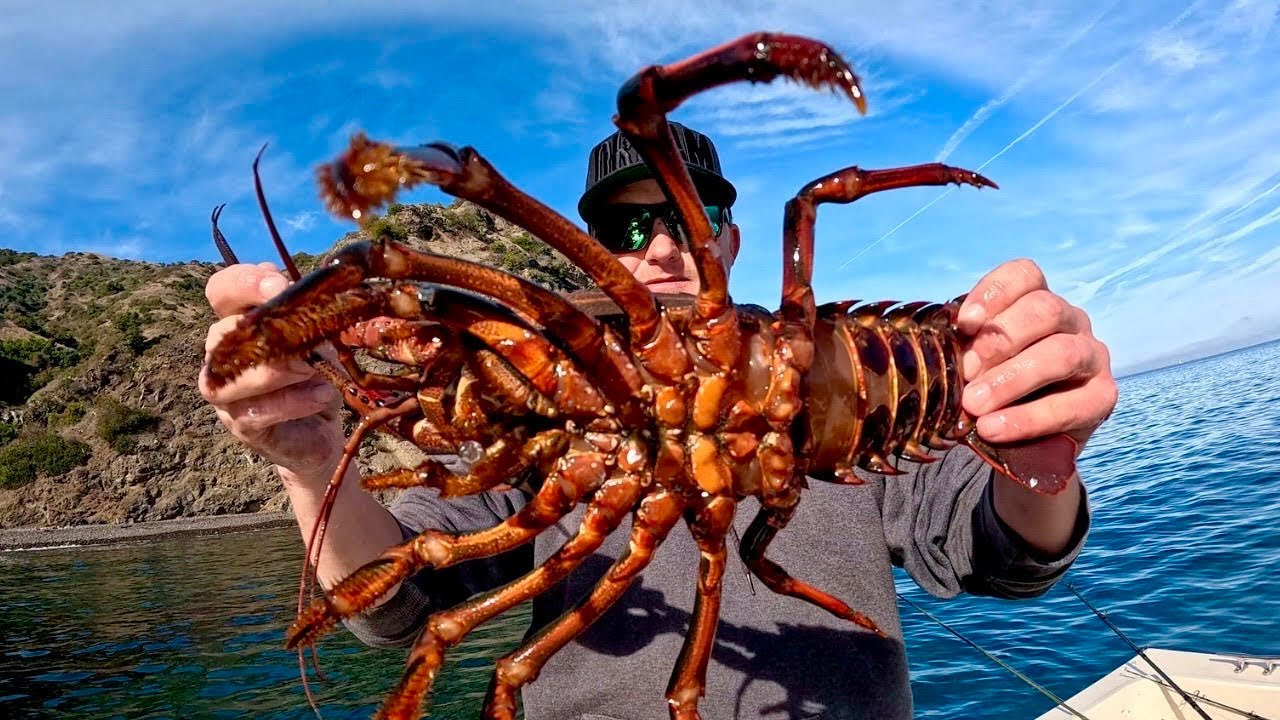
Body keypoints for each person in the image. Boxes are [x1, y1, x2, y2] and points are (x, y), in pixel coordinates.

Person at [200, 123, 1118, 719]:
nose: (665, 246)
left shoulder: (825, 377)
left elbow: (1007, 550)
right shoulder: (535, 428)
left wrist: (1043, 448)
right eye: (627, 231)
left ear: (729, 241)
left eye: (689, 216)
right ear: (597, 255)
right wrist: (310, 462)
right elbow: (395, 605)